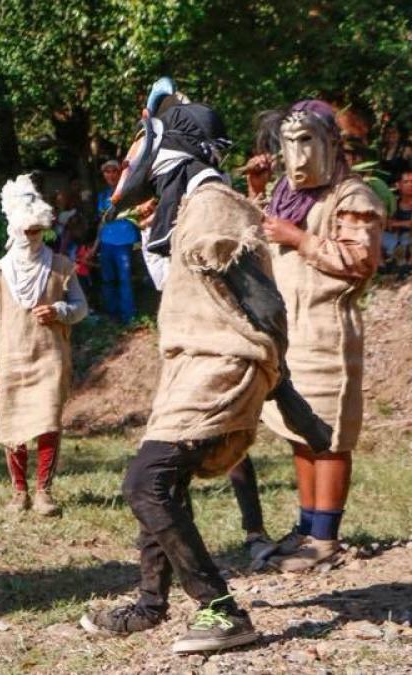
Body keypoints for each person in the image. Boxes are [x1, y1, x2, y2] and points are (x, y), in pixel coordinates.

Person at [80, 83, 279, 653]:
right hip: (194, 364)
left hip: (221, 366)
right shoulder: (195, 203)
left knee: (147, 482)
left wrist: (279, 381)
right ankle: (150, 603)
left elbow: (263, 303)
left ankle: (222, 611)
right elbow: (185, 286)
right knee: (161, 481)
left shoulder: (214, 204)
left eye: (147, 141)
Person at [248, 100, 384, 572]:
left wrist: (299, 238)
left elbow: (360, 262)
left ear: (330, 142)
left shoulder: (353, 197)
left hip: (328, 331)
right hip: (291, 334)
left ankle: (324, 536)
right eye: (289, 141)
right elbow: (262, 237)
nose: (297, 152)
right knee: (299, 431)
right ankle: (306, 527)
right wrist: (257, 190)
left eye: (307, 140)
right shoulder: (289, 195)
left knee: (329, 435)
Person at [0, 175, 87, 516]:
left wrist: (59, 311)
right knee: (12, 424)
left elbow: (81, 308)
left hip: (50, 358)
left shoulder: (61, 266)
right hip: (10, 358)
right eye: (27, 232)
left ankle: (44, 492)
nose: (32, 238)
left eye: (38, 231)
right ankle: (19, 492)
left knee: (48, 421)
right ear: (14, 229)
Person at [95, 159, 138, 323]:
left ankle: (128, 316)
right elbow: (102, 221)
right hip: (107, 243)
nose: (111, 174)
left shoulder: (128, 191)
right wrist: (95, 246)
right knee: (108, 280)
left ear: (119, 173)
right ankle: (112, 314)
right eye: (107, 171)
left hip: (125, 242)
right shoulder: (103, 196)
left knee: (125, 279)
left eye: (114, 171)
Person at [383, 170, 412, 275]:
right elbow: (384, 223)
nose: (410, 185)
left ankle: (407, 265)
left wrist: (395, 223)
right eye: (406, 182)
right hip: (395, 240)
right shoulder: (393, 202)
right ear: (398, 185)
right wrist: (404, 223)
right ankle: (383, 267)